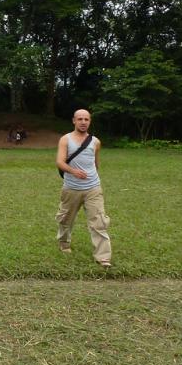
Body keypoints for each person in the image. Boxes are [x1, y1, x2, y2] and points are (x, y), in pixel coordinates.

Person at [55, 109, 112, 267]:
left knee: (99, 222)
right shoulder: (65, 140)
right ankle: (64, 243)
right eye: (79, 119)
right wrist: (74, 172)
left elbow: (96, 163)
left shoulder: (96, 142)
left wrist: (93, 178)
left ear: (90, 121)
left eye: (86, 119)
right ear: (74, 121)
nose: (83, 122)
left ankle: (103, 257)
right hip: (71, 188)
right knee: (65, 219)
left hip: (93, 188)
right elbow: (60, 162)